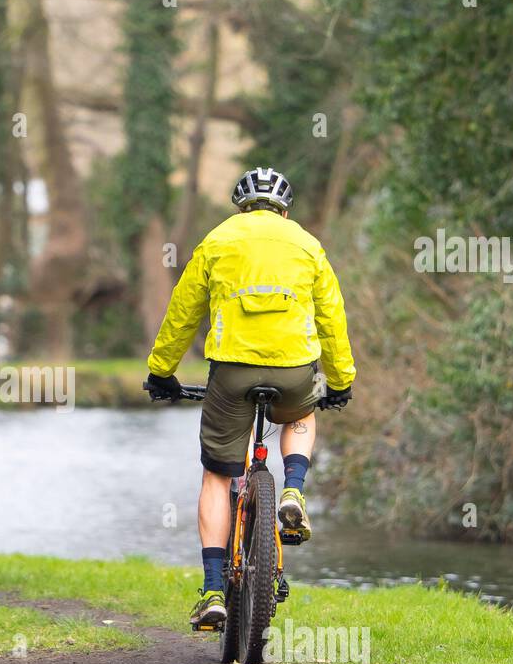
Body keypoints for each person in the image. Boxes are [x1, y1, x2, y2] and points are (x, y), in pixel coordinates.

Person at [144, 167, 356, 629]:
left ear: (241, 206)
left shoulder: (217, 241)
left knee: (218, 476)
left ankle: (214, 589)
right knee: (302, 414)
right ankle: (294, 490)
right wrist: (340, 381)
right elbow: (332, 319)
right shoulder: (307, 244)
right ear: (284, 208)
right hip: (296, 369)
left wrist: (162, 371)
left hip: (232, 373)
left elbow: (182, 313)